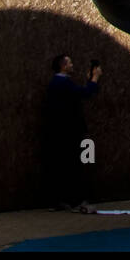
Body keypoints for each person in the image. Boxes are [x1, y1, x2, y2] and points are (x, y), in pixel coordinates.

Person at [43, 54, 102, 211]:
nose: (72, 65)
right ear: (63, 66)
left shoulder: (56, 83)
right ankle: (75, 200)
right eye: (69, 62)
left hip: (58, 131)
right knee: (72, 166)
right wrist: (94, 78)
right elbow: (84, 93)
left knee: (61, 166)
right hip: (68, 132)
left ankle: (59, 200)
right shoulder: (63, 82)